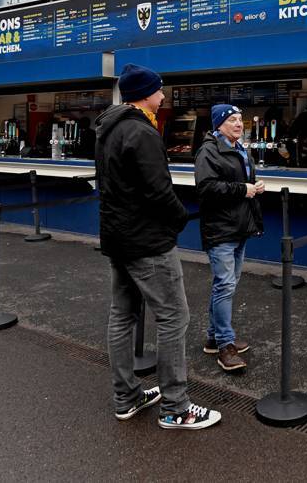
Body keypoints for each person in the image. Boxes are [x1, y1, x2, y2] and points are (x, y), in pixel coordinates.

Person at [95, 63, 221, 430]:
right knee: (173, 317)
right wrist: (180, 217)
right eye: (159, 90)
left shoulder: (107, 128)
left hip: (117, 237)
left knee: (122, 316)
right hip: (147, 241)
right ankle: (176, 406)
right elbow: (158, 190)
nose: (163, 95)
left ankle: (127, 397)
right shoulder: (141, 130)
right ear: (144, 94)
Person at [195, 103, 265, 372]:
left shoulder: (239, 149)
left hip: (239, 226)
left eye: (240, 119)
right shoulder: (209, 150)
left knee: (227, 284)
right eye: (233, 120)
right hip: (220, 228)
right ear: (219, 124)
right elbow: (206, 187)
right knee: (225, 285)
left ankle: (214, 338)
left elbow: (242, 183)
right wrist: (242, 189)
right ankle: (226, 345)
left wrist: (255, 187)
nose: (239, 124)